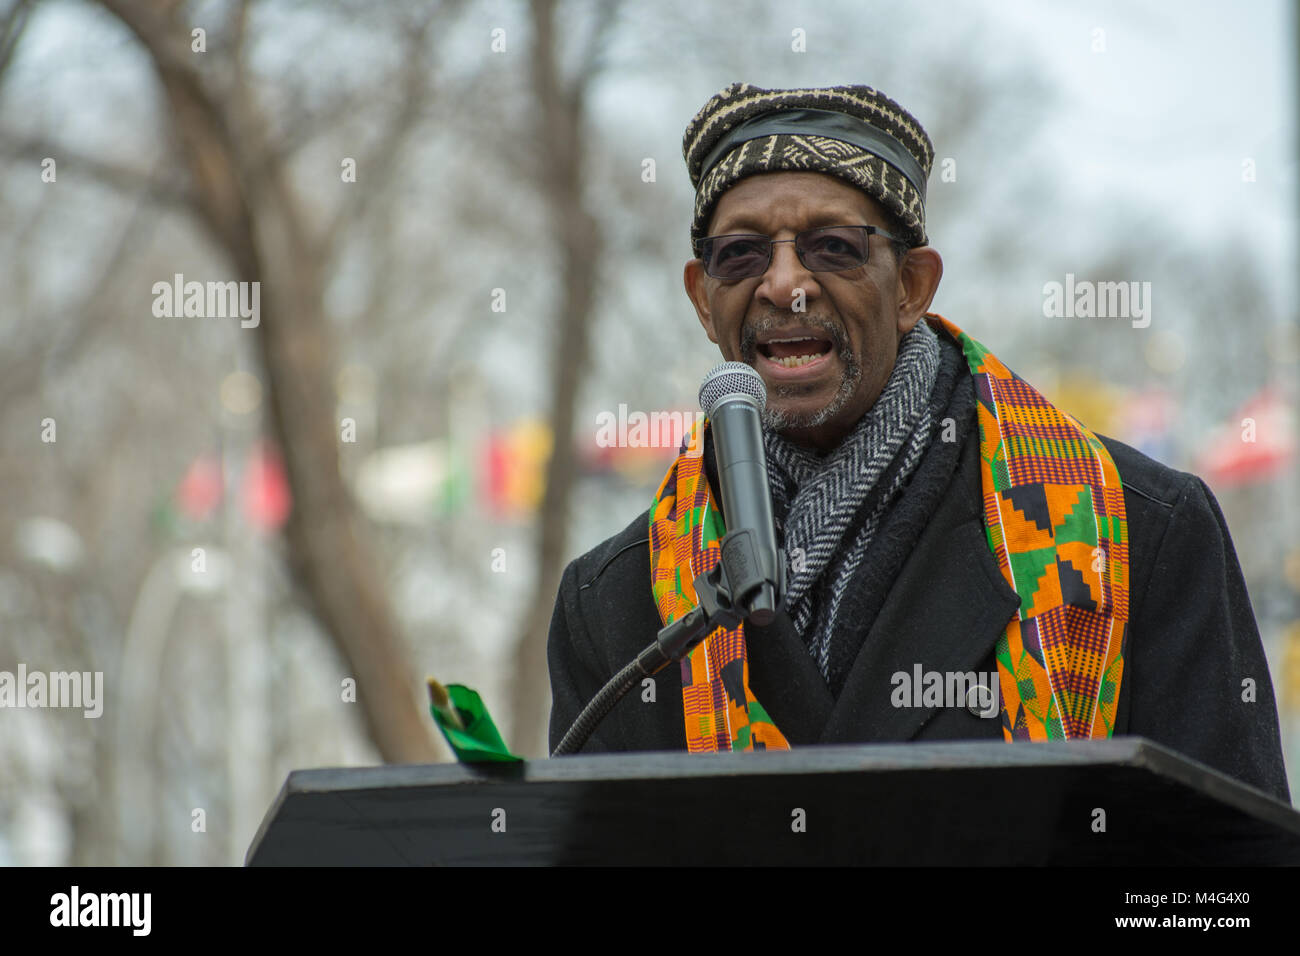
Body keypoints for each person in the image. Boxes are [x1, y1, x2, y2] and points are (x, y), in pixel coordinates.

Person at [546, 82, 1291, 803]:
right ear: (703, 300)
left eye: (832, 247)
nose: (783, 284)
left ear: (912, 286)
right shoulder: (615, 603)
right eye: (739, 254)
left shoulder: (1137, 535)